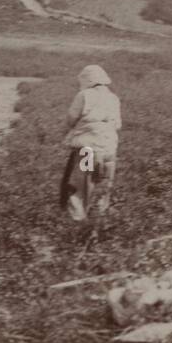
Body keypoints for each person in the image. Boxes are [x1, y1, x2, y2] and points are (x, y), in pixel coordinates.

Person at [60, 64, 121, 235]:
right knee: (104, 185)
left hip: (88, 150)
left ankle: (77, 228)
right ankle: (100, 226)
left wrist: (68, 133)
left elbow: (71, 118)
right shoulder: (114, 98)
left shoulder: (84, 95)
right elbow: (118, 125)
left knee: (82, 187)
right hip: (109, 150)